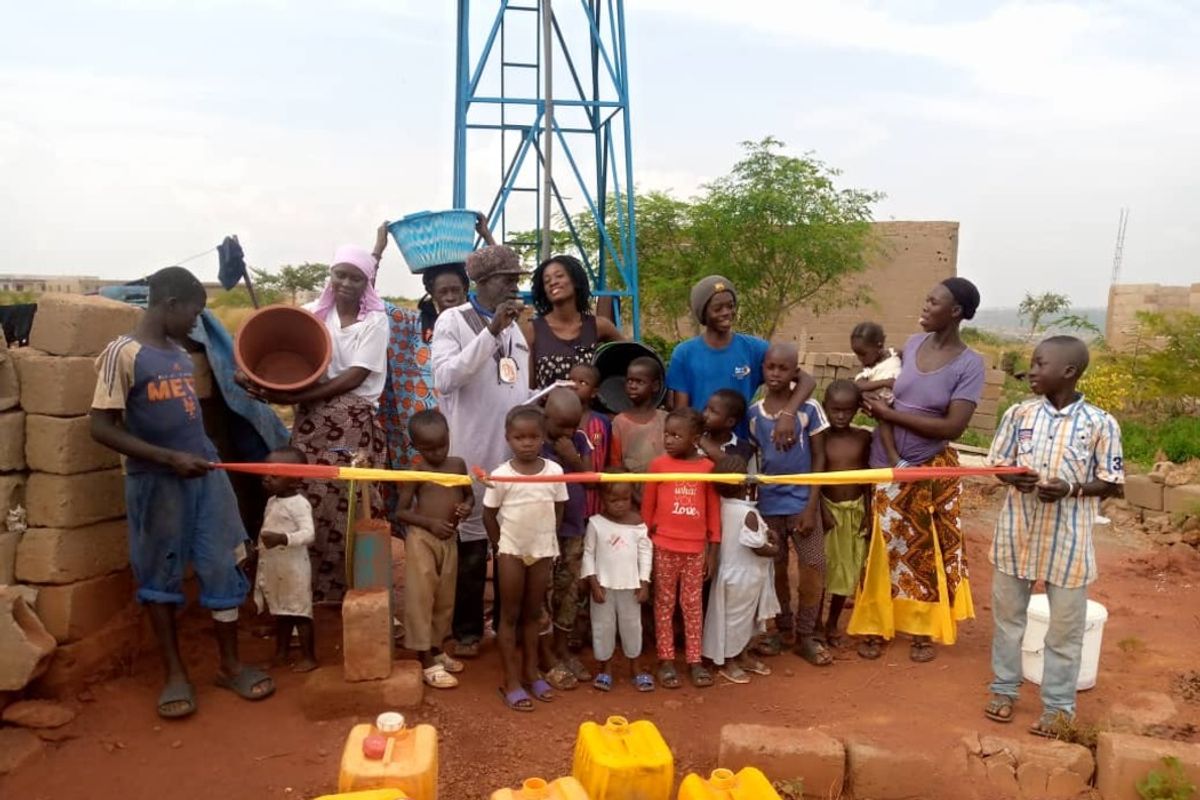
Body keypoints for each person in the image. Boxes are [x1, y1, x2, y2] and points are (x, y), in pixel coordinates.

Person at [91, 266, 274, 719]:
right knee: (160, 574)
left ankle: (230, 665)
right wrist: (168, 459)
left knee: (223, 564)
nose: (197, 323)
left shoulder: (177, 353)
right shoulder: (122, 354)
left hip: (205, 477)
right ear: (170, 304)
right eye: (194, 313)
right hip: (156, 484)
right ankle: (175, 673)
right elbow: (100, 427)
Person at [984, 336, 1123, 737]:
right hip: (1016, 536)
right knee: (1009, 622)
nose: (1031, 371)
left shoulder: (1101, 423)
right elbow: (998, 465)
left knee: (1065, 631)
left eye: (1039, 364)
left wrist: (1072, 489)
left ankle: (1059, 708)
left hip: (1069, 545)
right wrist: (1015, 477)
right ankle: (1004, 690)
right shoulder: (1019, 414)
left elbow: (1111, 482)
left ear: (1069, 371)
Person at [238, 245, 389, 603]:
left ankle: (359, 589)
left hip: (351, 423)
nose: (346, 283)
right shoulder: (312, 316)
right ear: (331, 275)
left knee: (351, 498)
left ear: (367, 282)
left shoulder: (375, 321)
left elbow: (356, 375)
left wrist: (299, 398)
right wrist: (255, 379)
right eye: (340, 274)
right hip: (310, 422)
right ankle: (309, 592)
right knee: (305, 495)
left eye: (355, 277)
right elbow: (287, 358)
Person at [850, 277, 987, 662]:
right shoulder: (913, 344)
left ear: (956, 312)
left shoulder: (969, 364)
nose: (924, 306)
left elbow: (952, 427)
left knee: (925, 551)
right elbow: (897, 387)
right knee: (884, 547)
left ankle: (922, 628)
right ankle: (877, 624)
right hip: (887, 461)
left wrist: (889, 413)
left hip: (929, 468)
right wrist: (866, 393)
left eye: (933, 301)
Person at [431, 244, 532, 658]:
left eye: (516, 279)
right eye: (508, 279)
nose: (515, 286)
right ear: (483, 283)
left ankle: (505, 625)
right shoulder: (452, 320)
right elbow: (446, 377)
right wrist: (490, 332)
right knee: (471, 546)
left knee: (511, 546)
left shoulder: (515, 326)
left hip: (512, 456)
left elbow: (516, 385)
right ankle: (468, 630)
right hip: (471, 450)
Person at [746, 341, 831, 666]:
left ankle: (807, 634)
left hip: (801, 503)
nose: (776, 374)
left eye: (784, 368)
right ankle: (783, 630)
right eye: (771, 367)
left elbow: (820, 457)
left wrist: (811, 506)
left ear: (795, 372)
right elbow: (756, 459)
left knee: (813, 566)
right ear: (763, 369)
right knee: (776, 569)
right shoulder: (754, 414)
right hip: (769, 506)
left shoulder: (810, 409)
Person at [483, 406, 569, 711]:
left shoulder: (555, 472)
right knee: (509, 615)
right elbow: (489, 514)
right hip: (511, 551)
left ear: (543, 437)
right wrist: (500, 546)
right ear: (508, 438)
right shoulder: (501, 475)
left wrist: (549, 537)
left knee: (533, 614)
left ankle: (532, 673)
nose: (527, 443)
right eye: (520, 437)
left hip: (542, 549)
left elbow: (559, 508)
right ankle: (511, 680)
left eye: (534, 437)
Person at [666, 275, 815, 446]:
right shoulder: (684, 353)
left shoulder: (755, 349)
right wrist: (699, 446)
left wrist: (788, 414)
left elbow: (806, 381)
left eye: (730, 306)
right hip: (700, 449)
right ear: (703, 313)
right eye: (718, 308)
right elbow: (682, 412)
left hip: (742, 447)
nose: (727, 313)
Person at [393, 409, 473, 689]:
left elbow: (469, 496)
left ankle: (438, 648)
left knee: (444, 597)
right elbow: (400, 512)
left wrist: (466, 508)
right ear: (416, 447)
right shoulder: (416, 472)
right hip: (422, 539)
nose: (438, 452)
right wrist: (429, 523)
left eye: (442, 444)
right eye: (429, 448)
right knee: (421, 596)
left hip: (448, 539)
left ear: (449, 437)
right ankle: (423, 657)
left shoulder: (458, 465)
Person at [642, 408, 721, 690]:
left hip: (695, 550)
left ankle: (694, 660)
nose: (669, 440)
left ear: (696, 438)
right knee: (663, 604)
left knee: (692, 606)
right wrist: (646, 547)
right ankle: (665, 660)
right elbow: (647, 509)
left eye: (676, 435)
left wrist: (712, 551)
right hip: (663, 547)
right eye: (667, 434)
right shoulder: (658, 466)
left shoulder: (707, 469)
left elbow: (713, 513)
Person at [702, 455, 779, 684]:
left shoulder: (724, 507)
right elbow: (756, 546)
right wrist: (775, 548)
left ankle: (742, 656)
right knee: (737, 620)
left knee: (741, 619)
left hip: (734, 574)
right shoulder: (746, 513)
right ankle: (730, 661)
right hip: (743, 576)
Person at [540, 387, 593, 689]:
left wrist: (572, 457)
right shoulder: (532, 437)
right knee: (542, 591)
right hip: (543, 531)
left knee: (568, 592)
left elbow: (591, 480)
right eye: (562, 425)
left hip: (573, 529)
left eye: (574, 425)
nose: (568, 431)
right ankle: (544, 653)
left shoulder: (578, 441)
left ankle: (562, 649)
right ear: (546, 414)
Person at [582, 480, 654, 692]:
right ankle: (605, 669)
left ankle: (635, 668)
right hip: (603, 586)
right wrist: (593, 583)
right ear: (602, 499)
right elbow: (588, 553)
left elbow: (645, 553)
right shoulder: (595, 523)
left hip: (631, 586)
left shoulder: (638, 524)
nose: (620, 504)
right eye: (614, 500)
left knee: (632, 627)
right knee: (603, 627)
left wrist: (644, 582)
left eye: (625, 499)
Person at [254, 447, 318, 673]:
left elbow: (309, 534)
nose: (267, 478)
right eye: (266, 472)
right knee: (281, 612)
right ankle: (281, 654)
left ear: (294, 481)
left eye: (275, 474)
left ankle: (309, 657)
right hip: (275, 565)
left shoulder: (299, 504)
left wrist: (283, 538)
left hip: (293, 567)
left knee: (300, 612)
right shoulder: (272, 500)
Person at [819, 380, 873, 646]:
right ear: (825, 407)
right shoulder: (820, 438)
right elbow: (813, 478)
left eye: (847, 410)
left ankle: (832, 623)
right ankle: (815, 623)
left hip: (855, 511)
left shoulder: (863, 438)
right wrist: (820, 511)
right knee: (822, 569)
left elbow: (868, 480)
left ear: (857, 410)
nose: (840, 416)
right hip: (828, 511)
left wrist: (869, 513)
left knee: (847, 571)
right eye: (835, 410)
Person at [523, 254, 622, 389]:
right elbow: (528, 386)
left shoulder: (599, 326)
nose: (553, 282)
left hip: (590, 409)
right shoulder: (532, 330)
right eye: (547, 281)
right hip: (547, 409)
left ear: (575, 281)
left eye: (559, 276)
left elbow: (634, 357)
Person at [851, 321, 902, 465]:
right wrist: (885, 382)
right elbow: (857, 386)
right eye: (856, 354)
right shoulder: (869, 369)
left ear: (879, 346)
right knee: (884, 421)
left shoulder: (894, 354)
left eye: (863, 354)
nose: (860, 359)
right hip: (883, 401)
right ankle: (892, 455)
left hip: (901, 400)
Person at [609, 356, 668, 475]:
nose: (633, 386)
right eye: (629, 381)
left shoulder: (665, 419)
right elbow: (616, 462)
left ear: (655, 386)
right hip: (631, 487)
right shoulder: (619, 422)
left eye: (639, 382)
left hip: (663, 486)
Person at [569, 362, 611, 518]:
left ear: (594, 392)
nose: (575, 386)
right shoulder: (556, 421)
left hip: (595, 501)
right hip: (568, 499)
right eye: (571, 381)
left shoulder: (602, 422)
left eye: (582, 382)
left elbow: (607, 459)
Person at [699, 389, 756, 463]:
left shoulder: (745, 449)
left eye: (713, 412)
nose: (705, 414)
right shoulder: (692, 442)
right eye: (705, 409)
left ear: (730, 422)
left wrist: (703, 441)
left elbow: (736, 468)